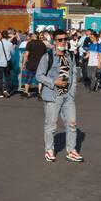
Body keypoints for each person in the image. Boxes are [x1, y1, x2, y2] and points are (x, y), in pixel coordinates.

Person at [37, 30, 82, 162]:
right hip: (53, 95)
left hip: (67, 96)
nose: (63, 42)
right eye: (60, 39)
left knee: (72, 123)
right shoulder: (47, 56)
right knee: (51, 125)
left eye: (65, 39)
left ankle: (71, 150)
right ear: (54, 41)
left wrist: (72, 92)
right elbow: (39, 75)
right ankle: (49, 150)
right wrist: (53, 82)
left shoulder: (70, 56)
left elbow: (74, 74)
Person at [0, 30, 15, 98]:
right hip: (6, 63)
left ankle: (1, 93)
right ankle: (6, 90)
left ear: (1, 35)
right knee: (7, 77)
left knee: (0, 78)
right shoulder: (10, 44)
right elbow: (13, 53)